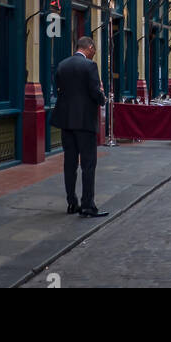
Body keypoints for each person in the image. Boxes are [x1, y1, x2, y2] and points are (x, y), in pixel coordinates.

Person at [51, 36, 108, 218]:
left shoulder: (62, 65)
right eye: (94, 50)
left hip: (66, 122)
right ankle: (87, 205)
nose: (94, 54)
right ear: (89, 47)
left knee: (69, 163)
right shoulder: (90, 66)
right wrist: (102, 96)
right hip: (84, 122)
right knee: (88, 164)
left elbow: (59, 89)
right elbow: (94, 92)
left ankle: (71, 202)